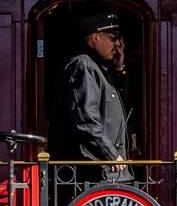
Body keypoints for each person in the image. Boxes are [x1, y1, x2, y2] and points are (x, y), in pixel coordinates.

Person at [52, 12, 132, 184]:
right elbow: (86, 122)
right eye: (113, 38)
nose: (118, 44)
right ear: (95, 38)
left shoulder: (101, 68)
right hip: (94, 175)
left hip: (110, 172)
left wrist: (119, 69)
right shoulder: (84, 66)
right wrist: (111, 156)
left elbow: (119, 108)